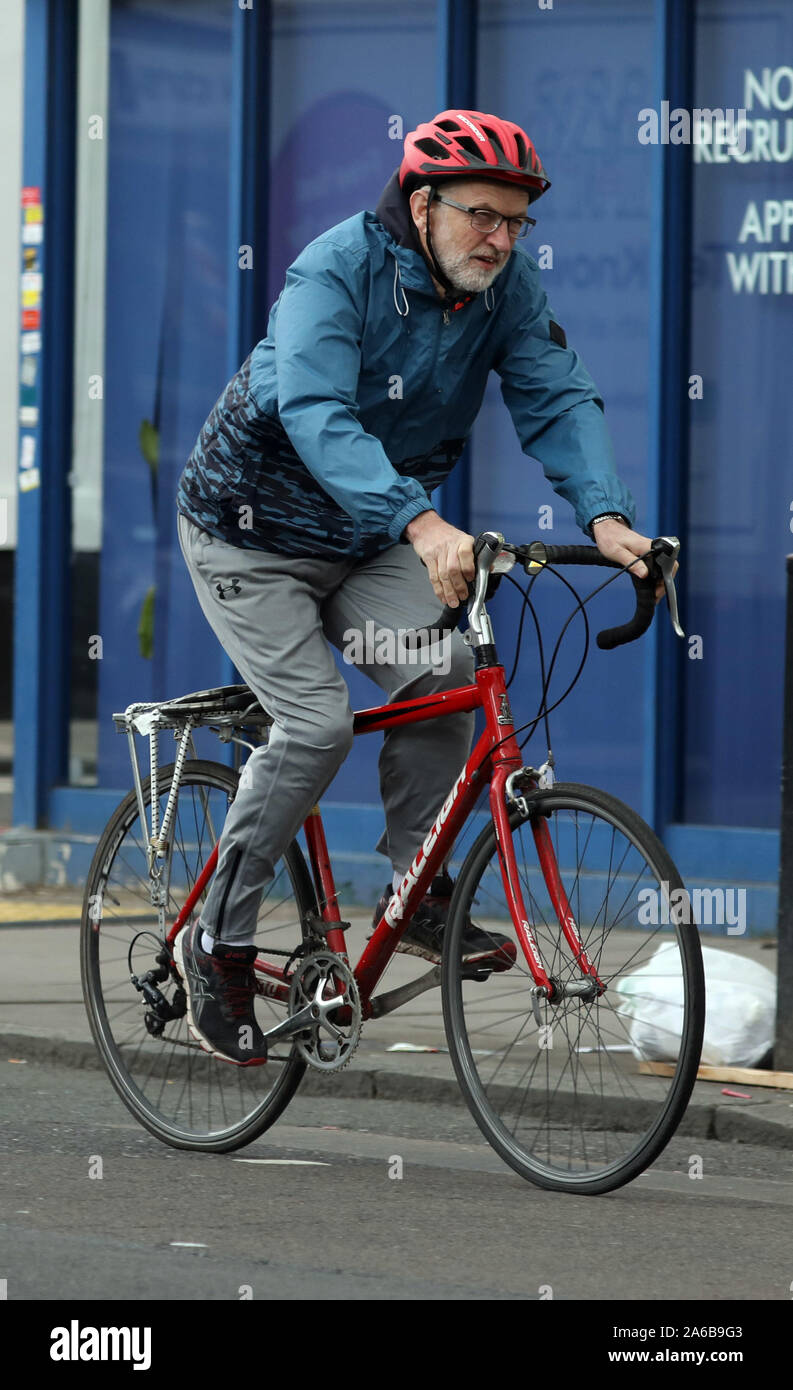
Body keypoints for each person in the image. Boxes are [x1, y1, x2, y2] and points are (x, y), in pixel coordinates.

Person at [174, 109, 651, 1066]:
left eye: (515, 222)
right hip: (251, 538)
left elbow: (555, 393)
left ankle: (415, 883)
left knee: (445, 673)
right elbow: (314, 409)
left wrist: (603, 515)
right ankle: (215, 939)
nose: (500, 240)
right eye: (482, 215)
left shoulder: (502, 287)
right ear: (422, 203)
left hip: (366, 539)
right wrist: (422, 523)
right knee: (313, 726)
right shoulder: (333, 271)